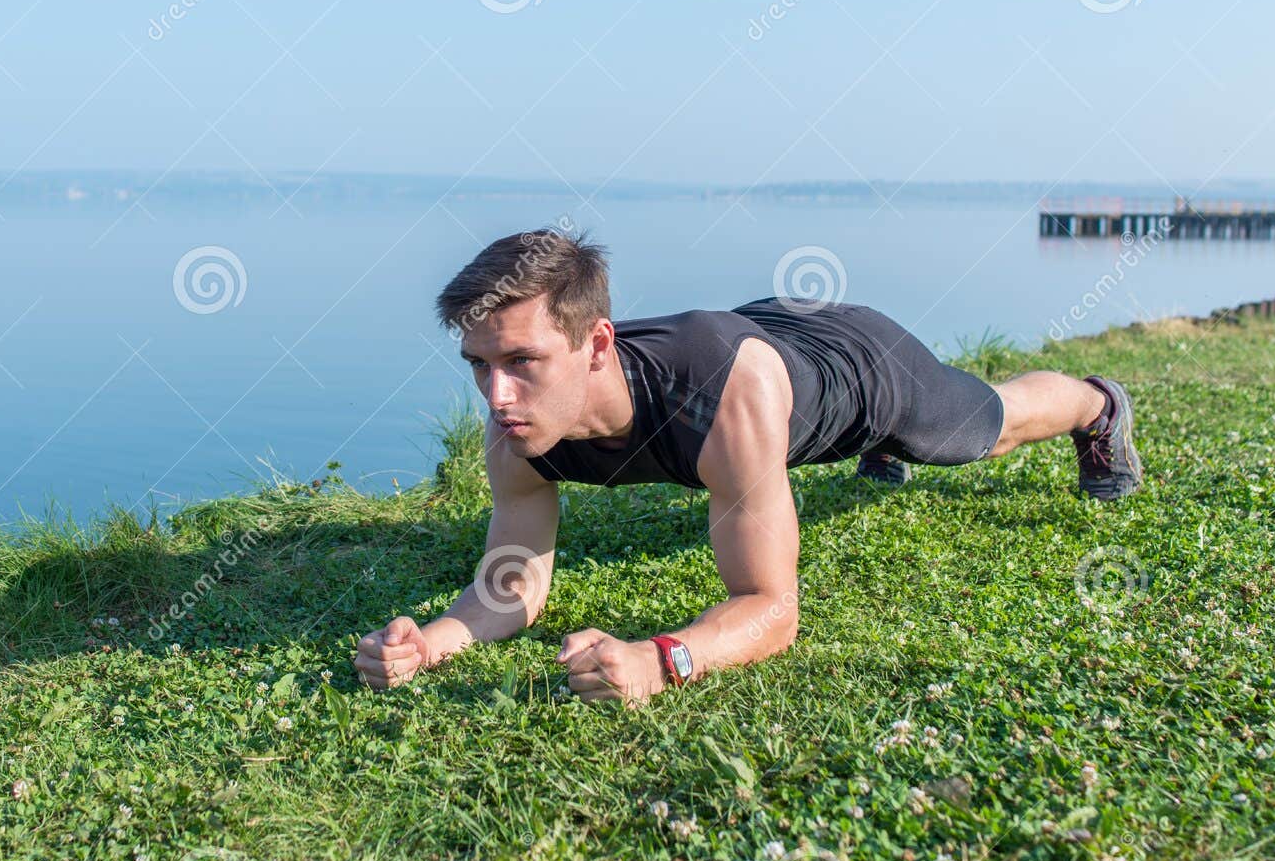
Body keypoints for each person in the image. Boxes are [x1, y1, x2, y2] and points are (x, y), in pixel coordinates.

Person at [354, 228, 1143, 704]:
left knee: (982, 431)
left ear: (597, 343)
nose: (495, 393)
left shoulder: (722, 395)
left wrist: (661, 662)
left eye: (522, 360)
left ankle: (1097, 403)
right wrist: (434, 639)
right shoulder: (517, 421)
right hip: (766, 337)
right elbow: (514, 582)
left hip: (856, 367)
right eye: (478, 364)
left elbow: (772, 608)